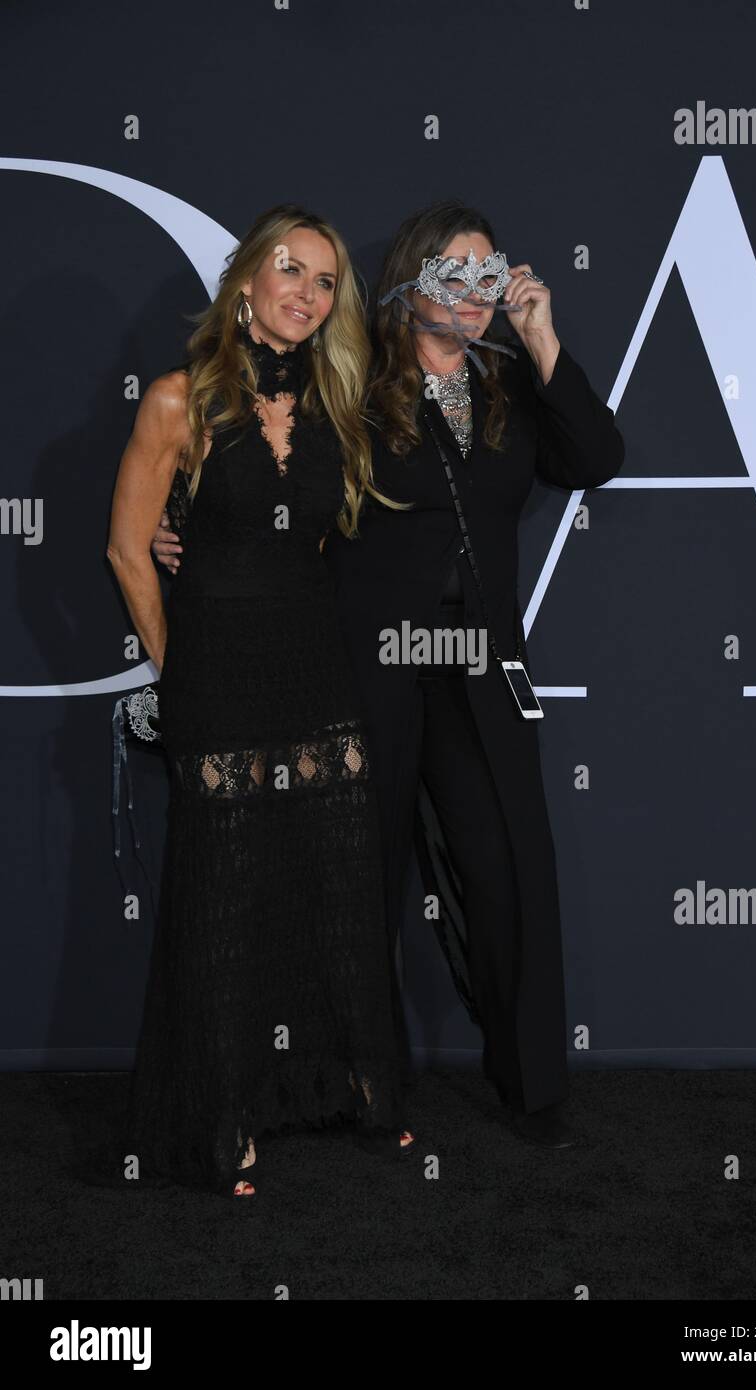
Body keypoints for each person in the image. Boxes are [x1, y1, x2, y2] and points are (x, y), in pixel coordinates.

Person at [154, 199, 624, 1150]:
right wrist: (194, 533)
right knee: (349, 877)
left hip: (481, 668)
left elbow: (597, 459)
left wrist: (542, 340)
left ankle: (530, 1088)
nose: (477, 293)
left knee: (505, 870)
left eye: (492, 276)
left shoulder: (512, 389)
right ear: (410, 287)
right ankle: (347, 1086)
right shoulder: (352, 388)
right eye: (455, 273)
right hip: (364, 663)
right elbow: (272, 486)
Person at [102, 203, 414, 1199]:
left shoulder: (335, 408)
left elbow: (314, 544)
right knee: (223, 899)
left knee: (335, 882)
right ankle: (220, 1119)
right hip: (218, 677)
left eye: (326, 282)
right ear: (245, 283)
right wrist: (174, 663)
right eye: (291, 271)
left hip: (315, 670)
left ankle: (360, 1090)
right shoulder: (176, 401)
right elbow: (126, 548)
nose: (308, 293)